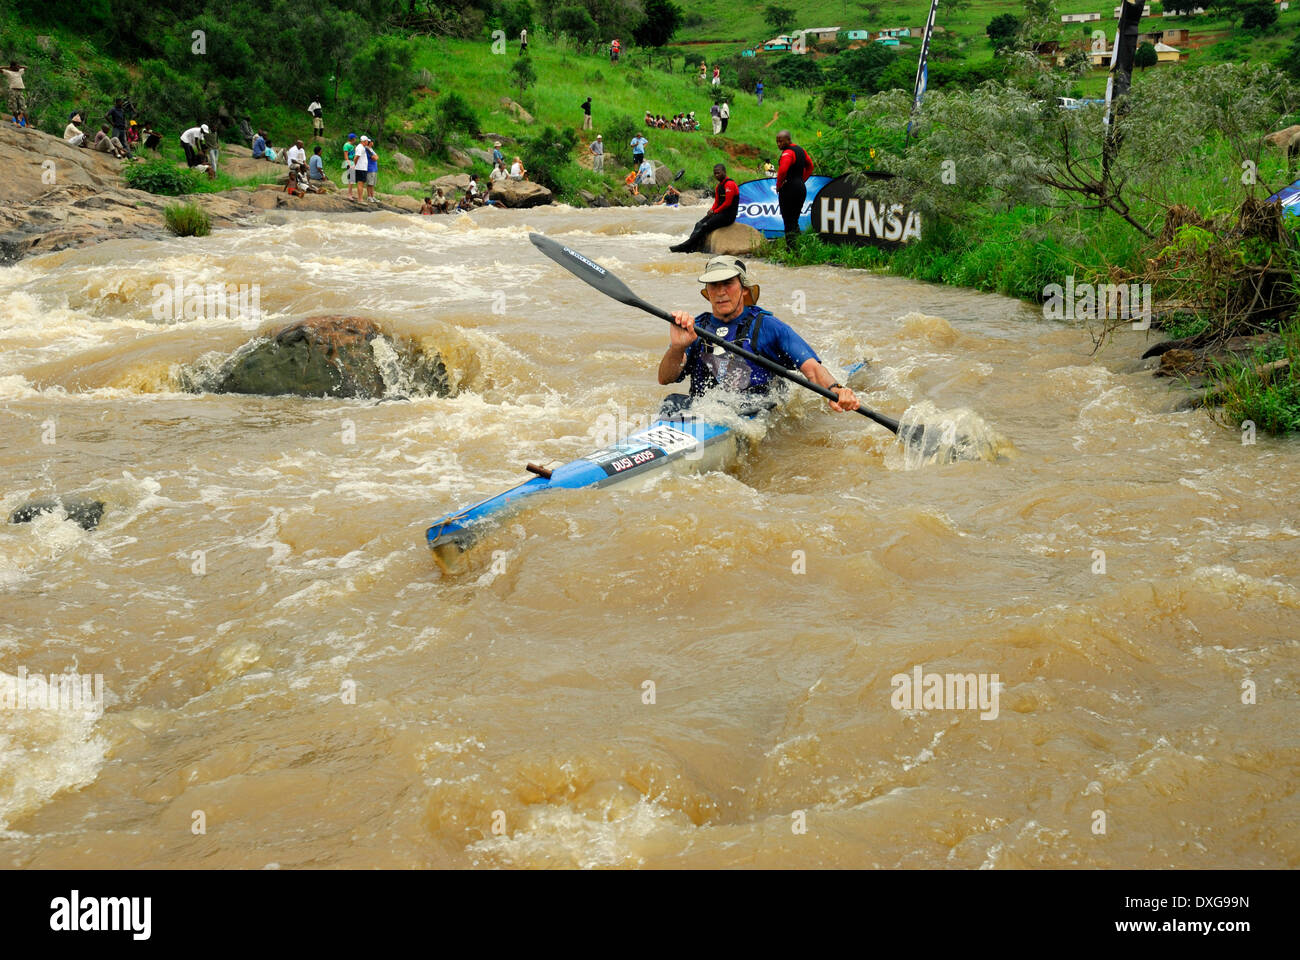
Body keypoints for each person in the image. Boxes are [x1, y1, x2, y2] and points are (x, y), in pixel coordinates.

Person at [656, 256, 860, 416]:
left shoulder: (769, 327)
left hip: (752, 410)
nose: (720, 292)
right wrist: (677, 348)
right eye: (714, 286)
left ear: (744, 289)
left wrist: (836, 389)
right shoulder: (695, 328)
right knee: (672, 401)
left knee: (742, 403)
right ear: (707, 292)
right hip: (706, 411)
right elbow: (664, 378)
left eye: (728, 283)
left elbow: (812, 370)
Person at [669, 163, 738, 253]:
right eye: (715, 173)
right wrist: (712, 210)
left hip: (728, 215)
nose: (716, 175)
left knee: (705, 226)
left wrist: (715, 211)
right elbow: (717, 202)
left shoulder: (730, 184)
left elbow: (727, 203)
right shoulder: (718, 187)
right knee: (699, 224)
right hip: (719, 213)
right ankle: (690, 246)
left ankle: (687, 246)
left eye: (718, 173)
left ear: (724, 172)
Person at [775, 129, 814, 243]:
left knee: (788, 220)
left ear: (788, 140)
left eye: (781, 141)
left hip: (789, 189)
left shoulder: (788, 153)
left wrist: (778, 185)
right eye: (777, 141)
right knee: (794, 220)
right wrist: (801, 180)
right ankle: (798, 247)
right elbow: (810, 166)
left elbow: (782, 171)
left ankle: (791, 249)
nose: (778, 144)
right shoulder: (801, 150)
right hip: (800, 188)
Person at [351, 136, 369, 201]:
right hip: (360, 168)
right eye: (367, 141)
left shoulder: (362, 147)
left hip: (362, 168)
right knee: (360, 183)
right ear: (364, 141)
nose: (368, 142)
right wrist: (354, 165)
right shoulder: (360, 147)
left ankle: (360, 198)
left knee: (361, 183)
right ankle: (360, 199)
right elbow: (356, 157)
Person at [363, 135, 378, 202]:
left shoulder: (371, 149)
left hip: (374, 168)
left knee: (373, 184)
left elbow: (377, 156)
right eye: (372, 141)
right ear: (370, 142)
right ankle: (369, 196)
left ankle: (372, 196)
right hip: (370, 168)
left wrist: (376, 156)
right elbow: (375, 158)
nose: (373, 142)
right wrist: (376, 156)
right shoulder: (367, 149)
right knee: (369, 183)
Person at [343, 133, 358, 199]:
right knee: (351, 179)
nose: (356, 139)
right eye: (355, 138)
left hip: (353, 163)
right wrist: (350, 164)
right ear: (353, 139)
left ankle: (351, 194)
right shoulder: (346, 145)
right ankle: (349, 195)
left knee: (353, 179)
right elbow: (346, 156)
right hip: (350, 163)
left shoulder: (352, 145)